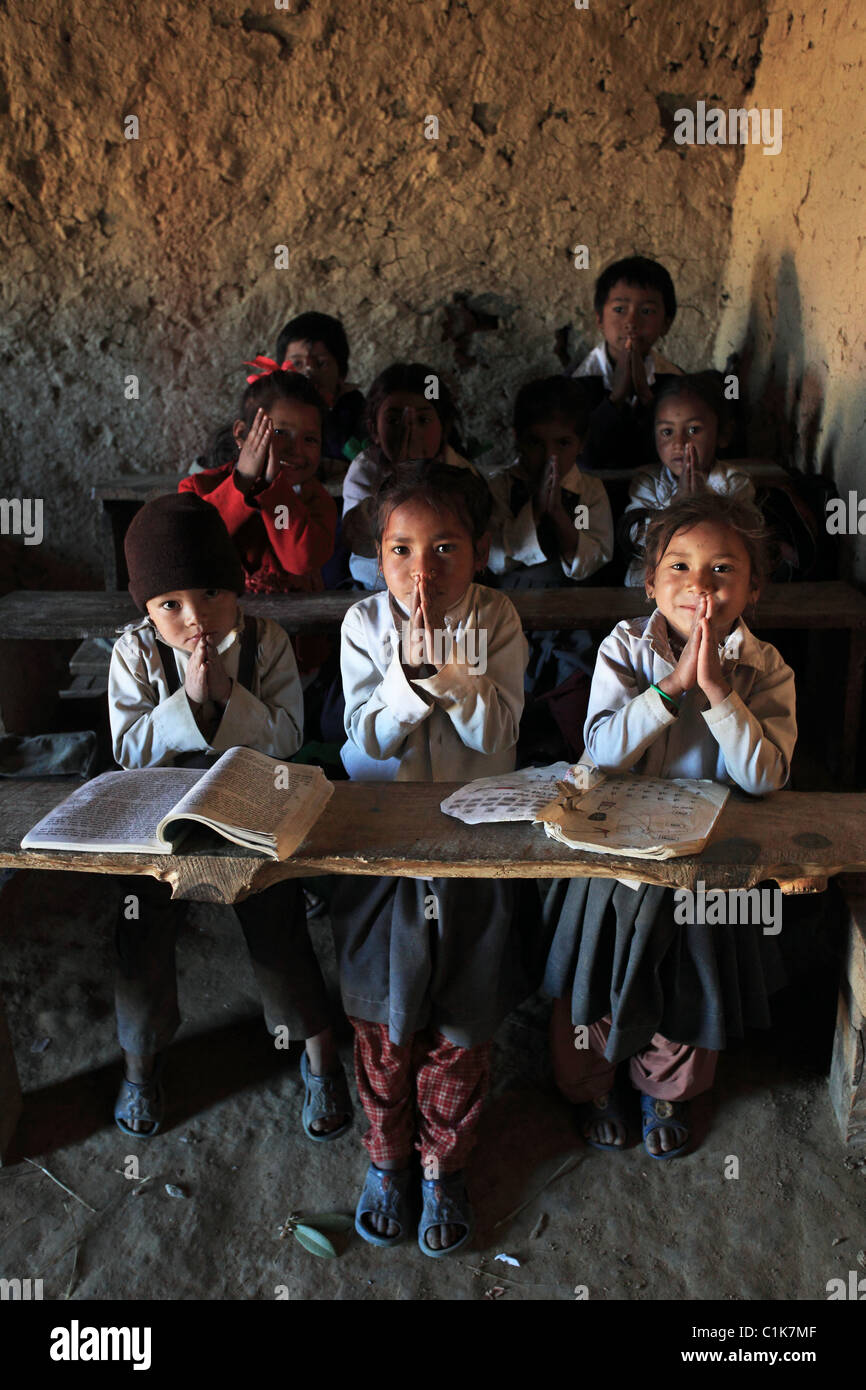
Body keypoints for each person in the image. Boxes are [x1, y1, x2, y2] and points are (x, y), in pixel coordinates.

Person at [542, 492, 797, 1158]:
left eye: (722, 570)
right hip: (614, 853)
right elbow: (600, 751)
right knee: (596, 972)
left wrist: (717, 690)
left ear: (754, 588)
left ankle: (668, 1090)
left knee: (691, 980)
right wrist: (670, 687)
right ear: (650, 582)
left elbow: (766, 775)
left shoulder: (765, 668)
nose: (699, 587)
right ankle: (592, 1081)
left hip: (705, 863)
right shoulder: (626, 648)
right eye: (679, 568)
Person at [331, 462, 534, 1255]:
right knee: (384, 1018)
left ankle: (444, 1167)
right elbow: (366, 738)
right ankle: (388, 1161)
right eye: (402, 551)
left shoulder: (500, 618)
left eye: (445, 547)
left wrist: (448, 670)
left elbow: (499, 736)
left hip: (473, 853)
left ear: (479, 550)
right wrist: (410, 678)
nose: (424, 572)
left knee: (464, 1018)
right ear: (379, 558)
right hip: (384, 851)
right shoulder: (363, 627)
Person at [108, 493, 351, 1141]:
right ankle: (141, 1056)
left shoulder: (265, 642)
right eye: (170, 605)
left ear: (236, 587)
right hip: (160, 818)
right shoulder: (133, 654)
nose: (197, 619)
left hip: (251, 808)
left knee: (275, 915)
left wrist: (224, 697)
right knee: (139, 931)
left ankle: (317, 1048)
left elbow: (288, 732)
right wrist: (185, 702)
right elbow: (128, 749)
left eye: (212, 594)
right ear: (146, 610)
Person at [179, 369, 337, 676]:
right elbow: (196, 542)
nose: (296, 450)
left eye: (310, 439)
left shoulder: (318, 501)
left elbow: (301, 559)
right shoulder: (199, 489)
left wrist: (272, 488)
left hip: (293, 657)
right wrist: (244, 481)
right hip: (213, 653)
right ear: (242, 434)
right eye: (280, 434)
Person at [341, 363, 478, 590]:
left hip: (444, 587)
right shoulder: (366, 469)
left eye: (423, 421)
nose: (409, 431)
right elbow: (358, 542)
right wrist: (401, 475)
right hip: (375, 586)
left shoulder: (460, 471)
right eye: (394, 421)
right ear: (374, 430)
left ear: (444, 428)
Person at [622, 373, 754, 586]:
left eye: (693, 430)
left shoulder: (734, 483)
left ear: (723, 434)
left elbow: (746, 539)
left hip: (713, 585)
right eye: (667, 432)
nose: (679, 442)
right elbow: (635, 539)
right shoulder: (647, 483)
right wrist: (678, 506)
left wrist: (701, 505)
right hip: (651, 589)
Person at [570, 255, 682, 471]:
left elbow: (677, 456)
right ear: (599, 319)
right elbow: (582, 458)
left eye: (647, 311)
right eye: (620, 309)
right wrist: (616, 398)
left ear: (666, 323)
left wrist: (648, 399)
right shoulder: (573, 383)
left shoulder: (677, 383)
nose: (631, 322)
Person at [275, 310, 366, 465]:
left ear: (341, 373)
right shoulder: (273, 408)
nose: (308, 373)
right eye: (297, 364)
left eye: (321, 363)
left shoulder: (354, 407)